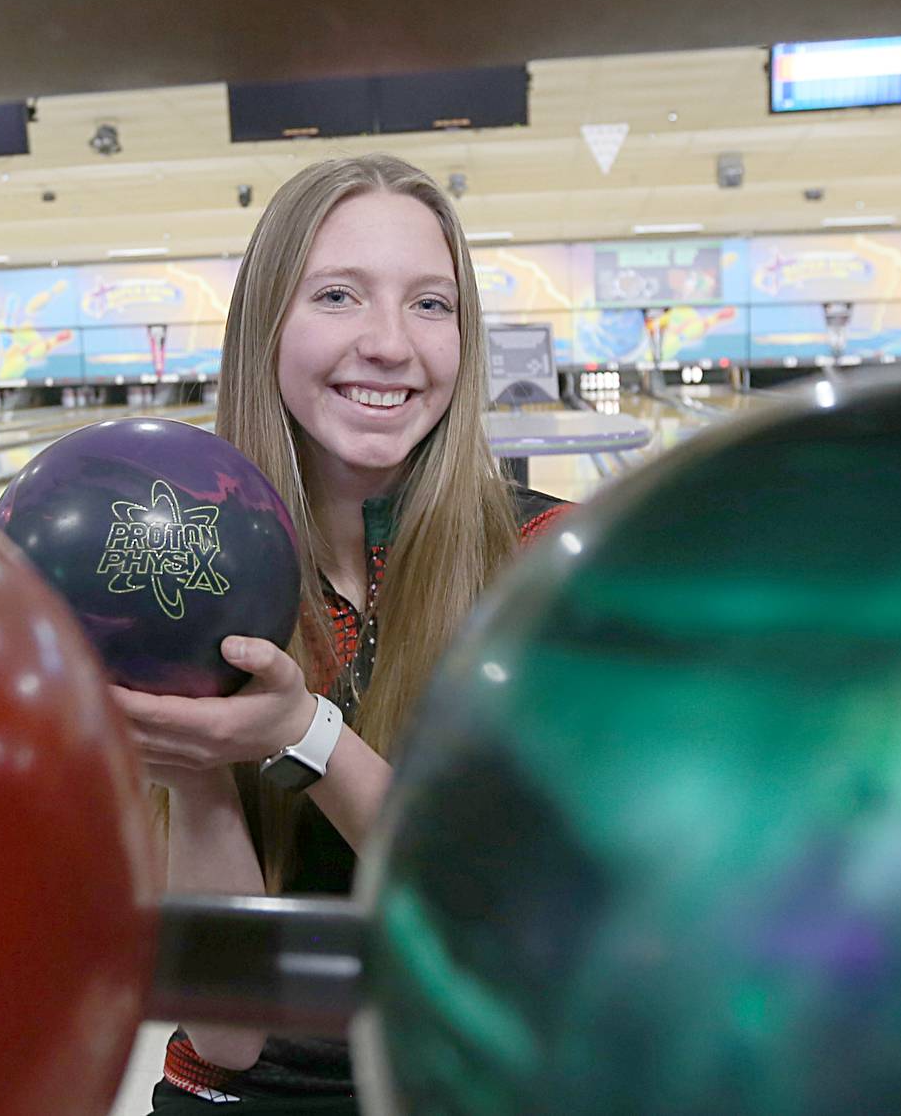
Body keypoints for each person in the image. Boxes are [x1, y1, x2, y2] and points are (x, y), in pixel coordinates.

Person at [115, 154, 570, 1113]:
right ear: (266, 326)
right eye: (338, 294)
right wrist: (195, 762)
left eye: (431, 305)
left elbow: (497, 918)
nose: (390, 344)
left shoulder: (550, 563)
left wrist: (304, 735)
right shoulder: (173, 582)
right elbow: (228, 1032)